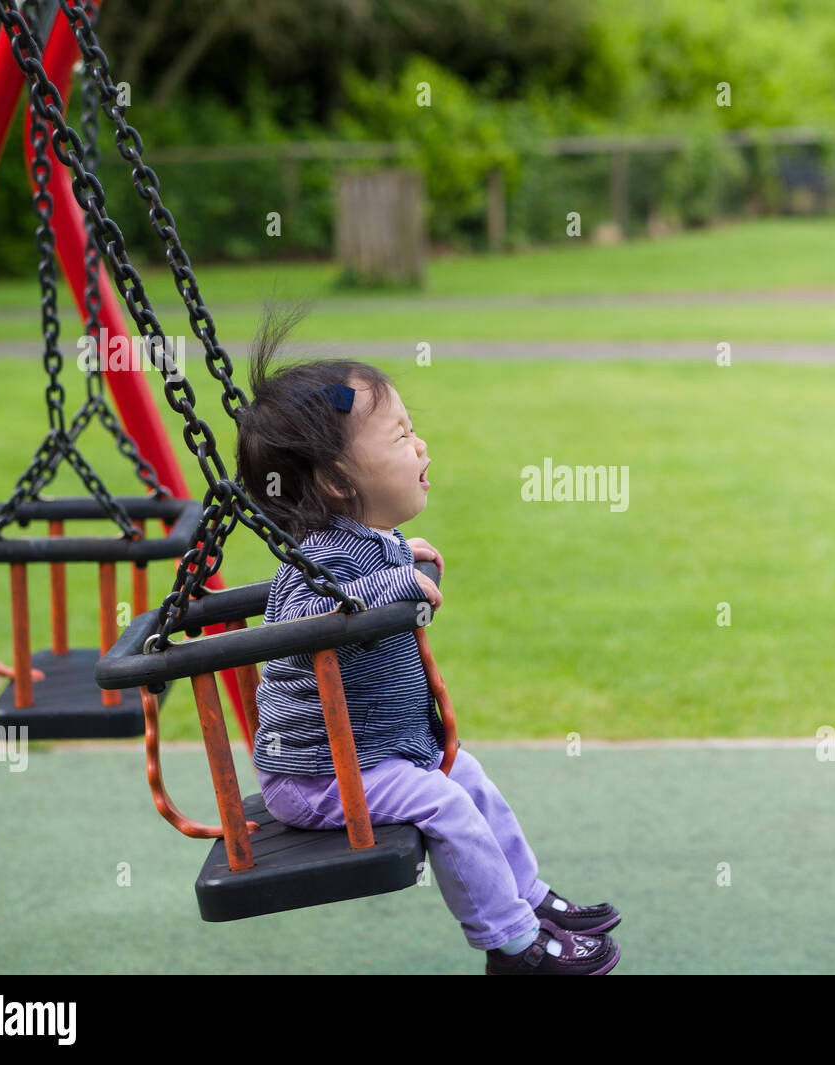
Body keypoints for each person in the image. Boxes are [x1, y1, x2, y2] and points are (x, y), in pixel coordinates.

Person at [232, 308, 620, 974]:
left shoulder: (360, 542)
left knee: (465, 773)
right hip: (320, 777)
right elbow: (315, 612)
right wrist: (392, 585)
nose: (423, 447)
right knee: (444, 801)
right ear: (336, 482)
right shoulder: (313, 563)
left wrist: (395, 559)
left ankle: (527, 899)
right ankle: (516, 946)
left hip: (378, 752)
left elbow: (363, 571)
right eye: (403, 435)